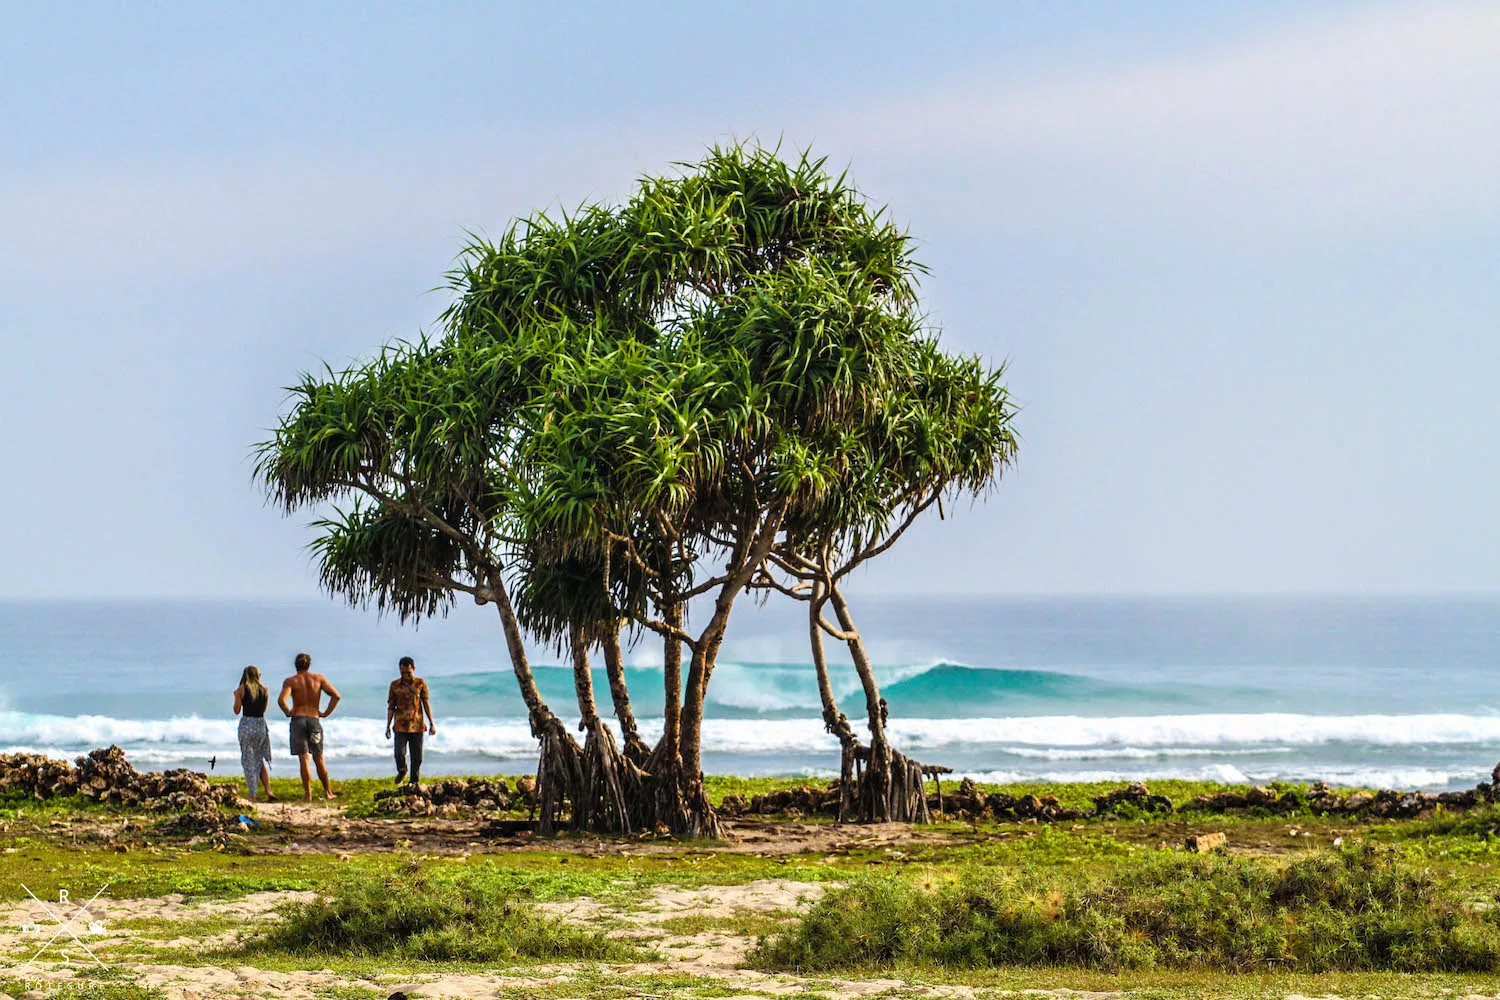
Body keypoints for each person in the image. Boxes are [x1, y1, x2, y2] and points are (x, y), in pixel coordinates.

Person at [277, 652, 341, 802]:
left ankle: (308, 795)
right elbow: (336, 696)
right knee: (318, 757)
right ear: (309, 665)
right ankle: (328, 792)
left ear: (295, 665)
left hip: (298, 720)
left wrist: (288, 711)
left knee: (304, 758)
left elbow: (281, 700)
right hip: (314, 720)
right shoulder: (318, 679)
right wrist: (325, 713)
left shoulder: (291, 681)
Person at [386, 656, 436, 786]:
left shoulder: (420, 683)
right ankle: (402, 770)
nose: (406, 675)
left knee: (417, 758)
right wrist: (388, 726)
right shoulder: (394, 685)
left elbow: (425, 703)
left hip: (417, 724)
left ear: (413, 669)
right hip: (400, 725)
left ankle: (414, 783)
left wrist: (431, 723)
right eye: (403, 672)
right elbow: (391, 707)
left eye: (408, 672)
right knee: (399, 754)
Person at [232, 665, 276, 802]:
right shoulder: (265, 690)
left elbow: (237, 710)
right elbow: (263, 710)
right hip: (260, 726)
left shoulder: (241, 690)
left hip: (247, 725)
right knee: (258, 758)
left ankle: (253, 795)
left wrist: (236, 696)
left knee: (248, 760)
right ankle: (268, 790)